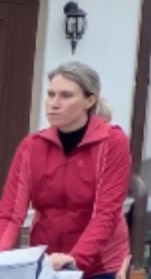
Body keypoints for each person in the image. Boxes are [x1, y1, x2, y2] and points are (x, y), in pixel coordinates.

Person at [0, 61, 131, 279]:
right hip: (47, 263)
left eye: (66, 96)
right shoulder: (32, 146)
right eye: (50, 94)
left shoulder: (112, 142)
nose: (54, 103)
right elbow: (10, 214)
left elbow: (105, 213)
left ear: (90, 100)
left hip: (100, 264)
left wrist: (74, 260)